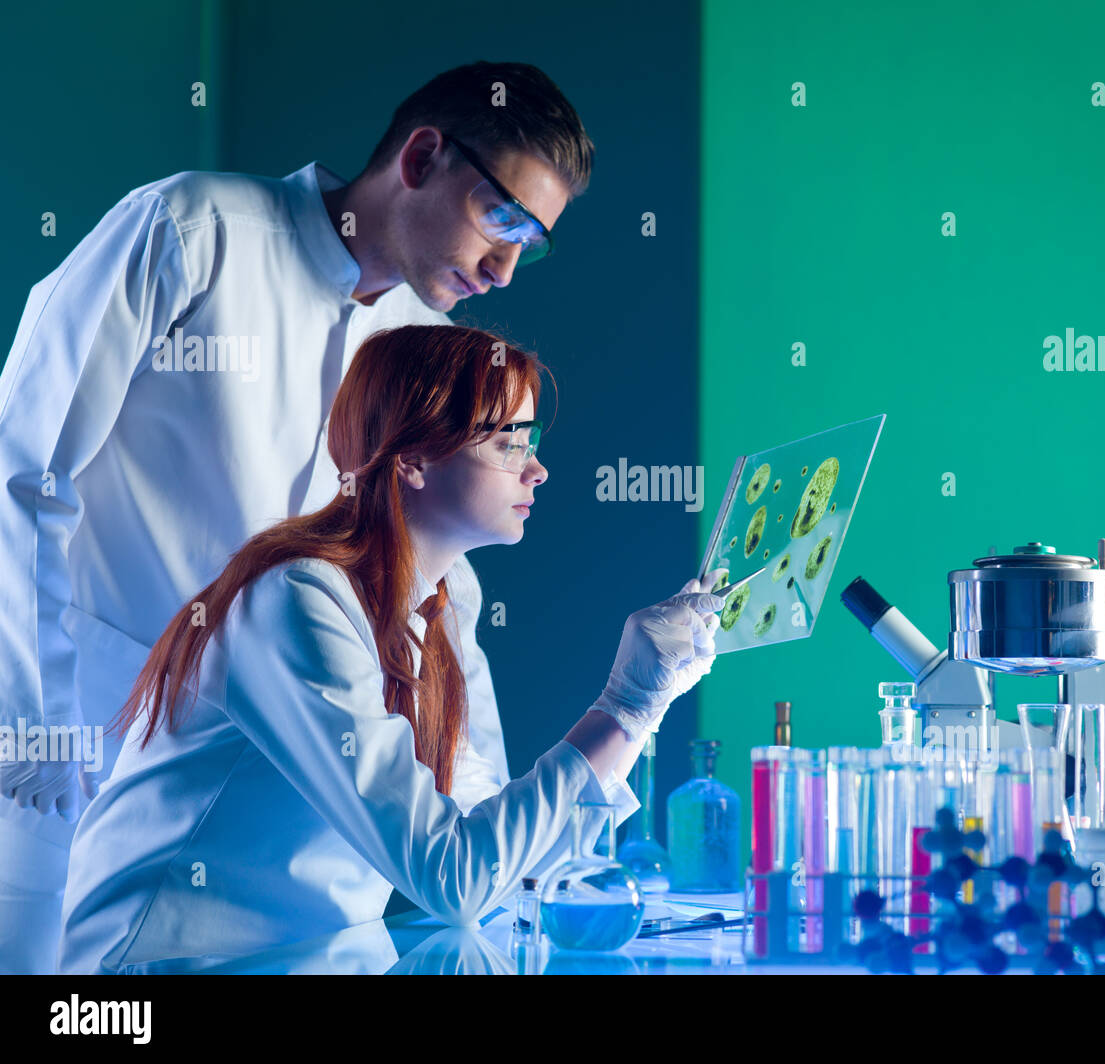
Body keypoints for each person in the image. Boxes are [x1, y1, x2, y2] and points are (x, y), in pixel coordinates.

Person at [0, 60, 588, 973]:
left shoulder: (418, 349)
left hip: (266, 838)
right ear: (423, 155)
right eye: (503, 217)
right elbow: (23, 470)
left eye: (534, 242)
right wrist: (31, 731)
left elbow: (439, 588)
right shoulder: (193, 233)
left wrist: (490, 821)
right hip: (68, 771)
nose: (506, 268)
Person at [58, 324, 723, 974]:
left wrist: (650, 702)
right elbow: (456, 880)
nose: (538, 470)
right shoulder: (297, 600)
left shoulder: (430, 610)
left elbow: (520, 862)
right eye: (508, 444)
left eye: (533, 441)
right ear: (412, 461)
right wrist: (624, 704)